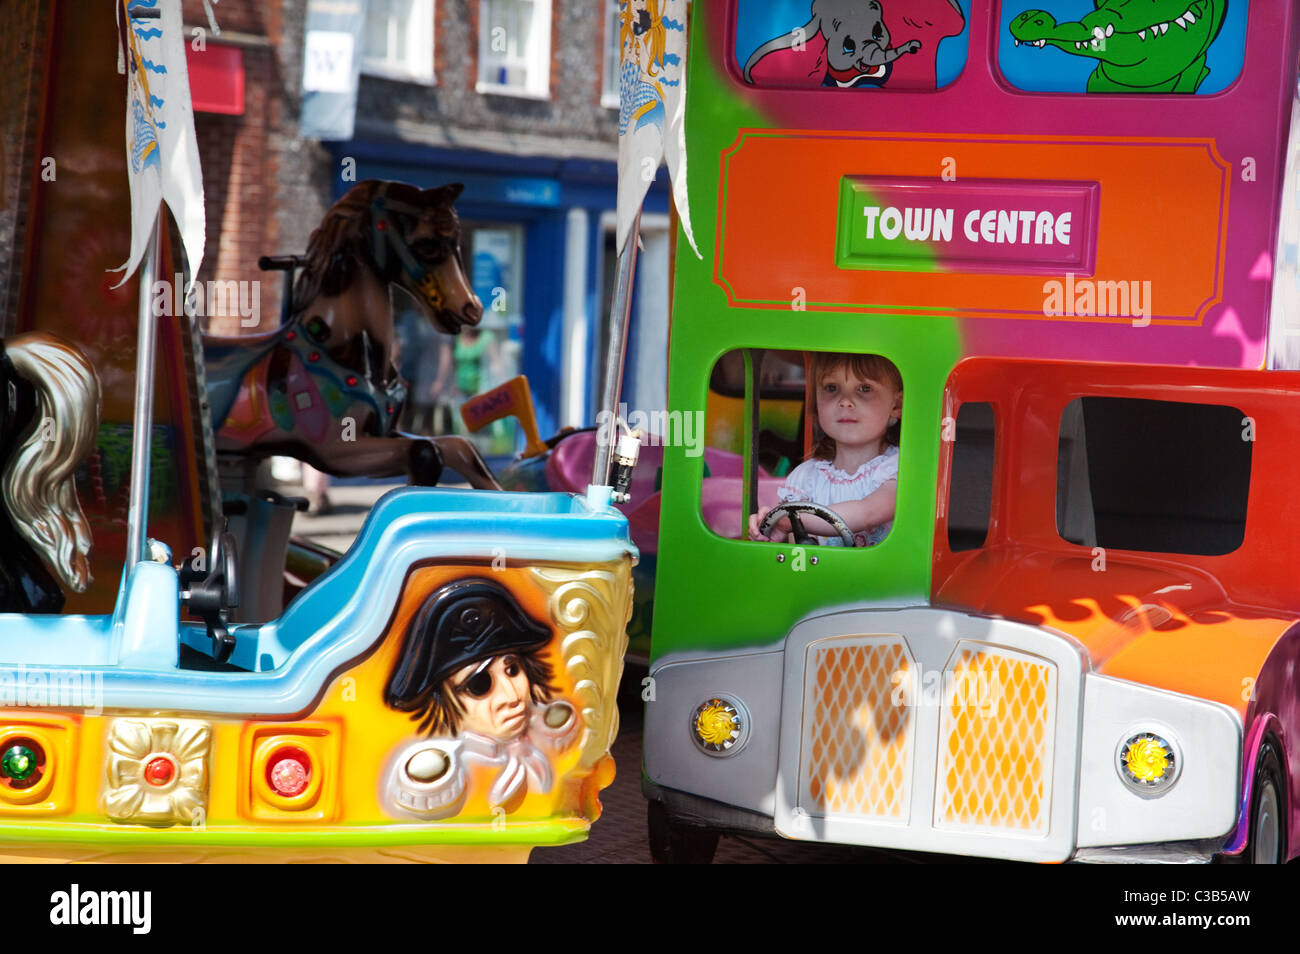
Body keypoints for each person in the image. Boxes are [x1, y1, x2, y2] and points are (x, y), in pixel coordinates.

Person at [384, 578, 579, 815]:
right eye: (479, 685)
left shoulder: (552, 730)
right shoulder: (436, 773)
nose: (513, 695)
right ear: (441, 697)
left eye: (513, 670)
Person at [748, 352, 902, 547]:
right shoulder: (805, 477)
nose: (845, 401)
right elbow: (799, 549)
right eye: (831, 388)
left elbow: (868, 512)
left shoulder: (896, 468)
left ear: (896, 405)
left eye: (864, 388)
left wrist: (793, 519)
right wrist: (772, 530)